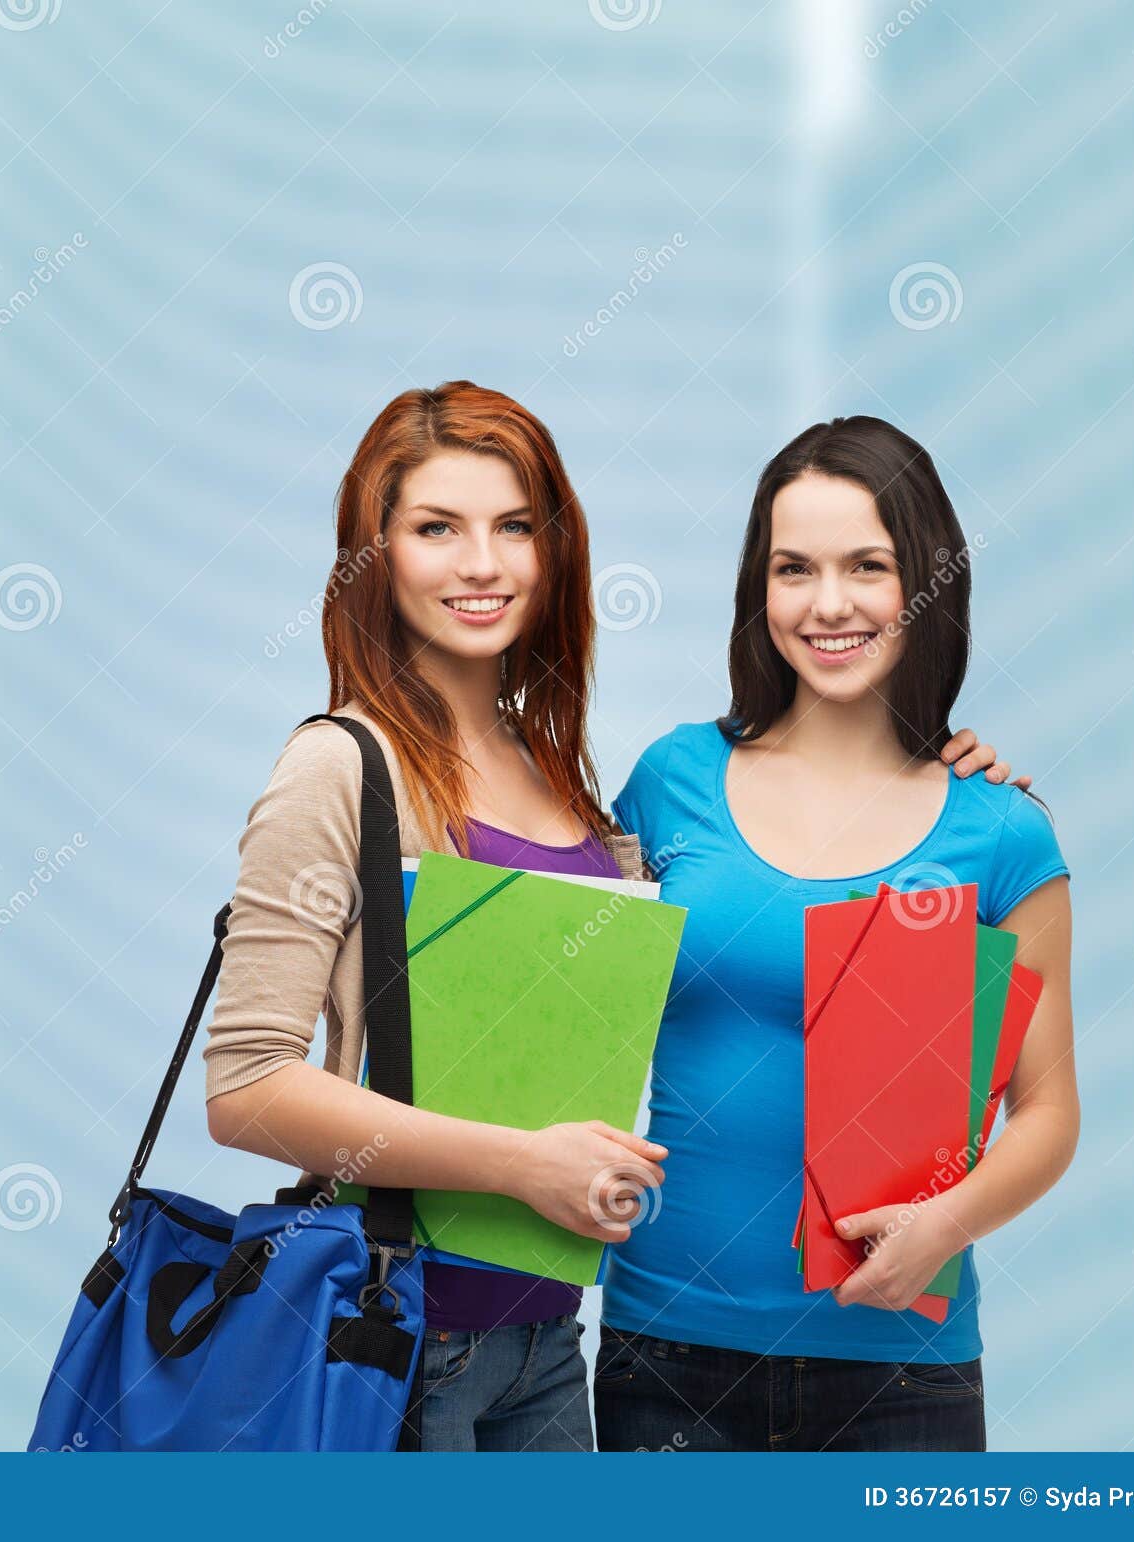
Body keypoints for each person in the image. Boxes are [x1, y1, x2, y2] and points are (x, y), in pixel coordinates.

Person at [203, 385, 1020, 1451]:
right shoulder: (339, 766)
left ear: (556, 553)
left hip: (549, 1347)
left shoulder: (565, 780)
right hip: (398, 1338)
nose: (481, 565)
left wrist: (935, 776)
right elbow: (247, 1087)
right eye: (434, 529)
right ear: (373, 554)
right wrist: (517, 1164)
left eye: (512, 528)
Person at [593, 414, 1077, 1453]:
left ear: (926, 584)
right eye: (792, 568)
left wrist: (946, 1225)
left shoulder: (1001, 832)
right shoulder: (669, 783)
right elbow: (575, 1021)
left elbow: (1046, 1113)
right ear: (756, 592)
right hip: (663, 1351)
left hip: (902, 1372)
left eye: (868, 565)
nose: (828, 604)